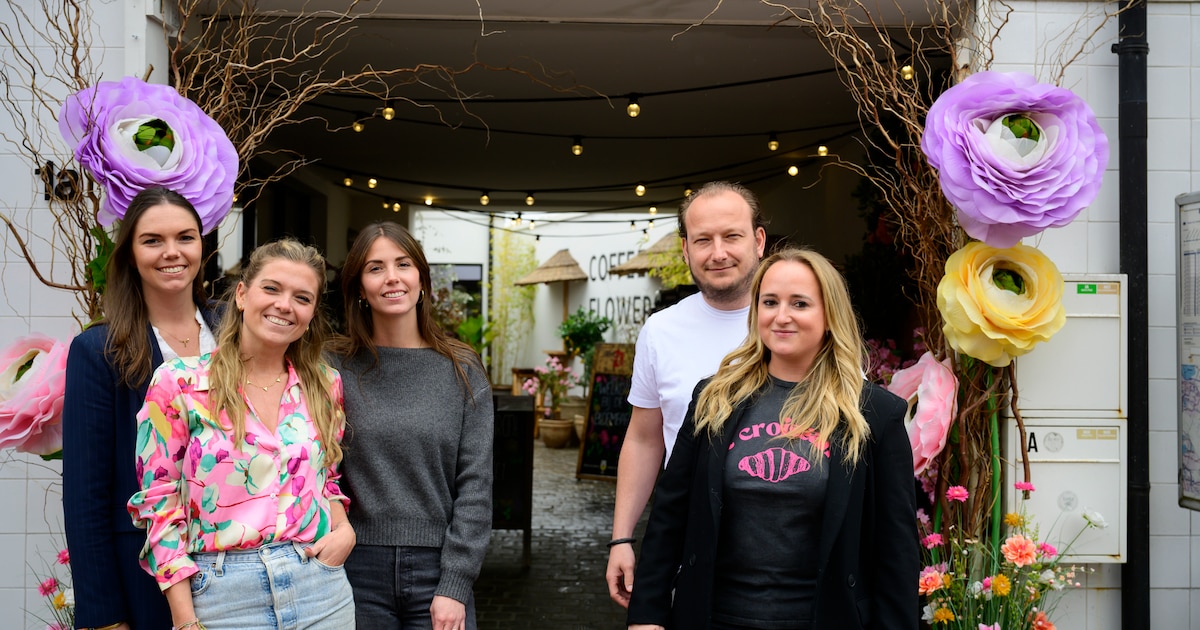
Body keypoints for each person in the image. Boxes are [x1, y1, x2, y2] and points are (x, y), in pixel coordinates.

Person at [626, 248, 919, 630]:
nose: (782, 316)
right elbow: (669, 516)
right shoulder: (715, 399)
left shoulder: (874, 414)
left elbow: (896, 552)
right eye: (770, 302)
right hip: (715, 619)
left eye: (800, 303)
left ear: (829, 316)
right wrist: (646, 616)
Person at [128, 239, 356, 630]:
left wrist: (344, 531)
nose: (285, 305)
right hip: (222, 597)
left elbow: (327, 477)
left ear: (312, 313)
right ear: (241, 294)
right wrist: (184, 620)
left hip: (320, 588)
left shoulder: (324, 383)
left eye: (302, 297)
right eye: (271, 288)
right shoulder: (179, 384)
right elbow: (159, 505)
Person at [63, 187, 221, 630]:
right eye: (152, 240)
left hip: (239, 571)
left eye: (185, 237)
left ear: (202, 246)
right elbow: (85, 497)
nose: (172, 252)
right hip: (143, 578)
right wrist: (104, 617)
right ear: (130, 254)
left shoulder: (234, 330)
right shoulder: (97, 351)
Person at [607, 181, 766, 607]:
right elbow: (644, 439)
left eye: (731, 236)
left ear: (758, 240)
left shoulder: (800, 322)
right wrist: (622, 537)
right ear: (685, 250)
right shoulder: (661, 331)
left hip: (786, 541)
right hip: (692, 541)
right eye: (703, 240)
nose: (718, 253)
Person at [333, 221, 493, 630]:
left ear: (421, 277)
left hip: (439, 566)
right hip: (353, 568)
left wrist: (455, 583)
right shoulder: (332, 367)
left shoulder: (462, 369)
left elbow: (475, 484)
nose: (392, 277)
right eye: (375, 268)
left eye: (403, 264)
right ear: (358, 288)